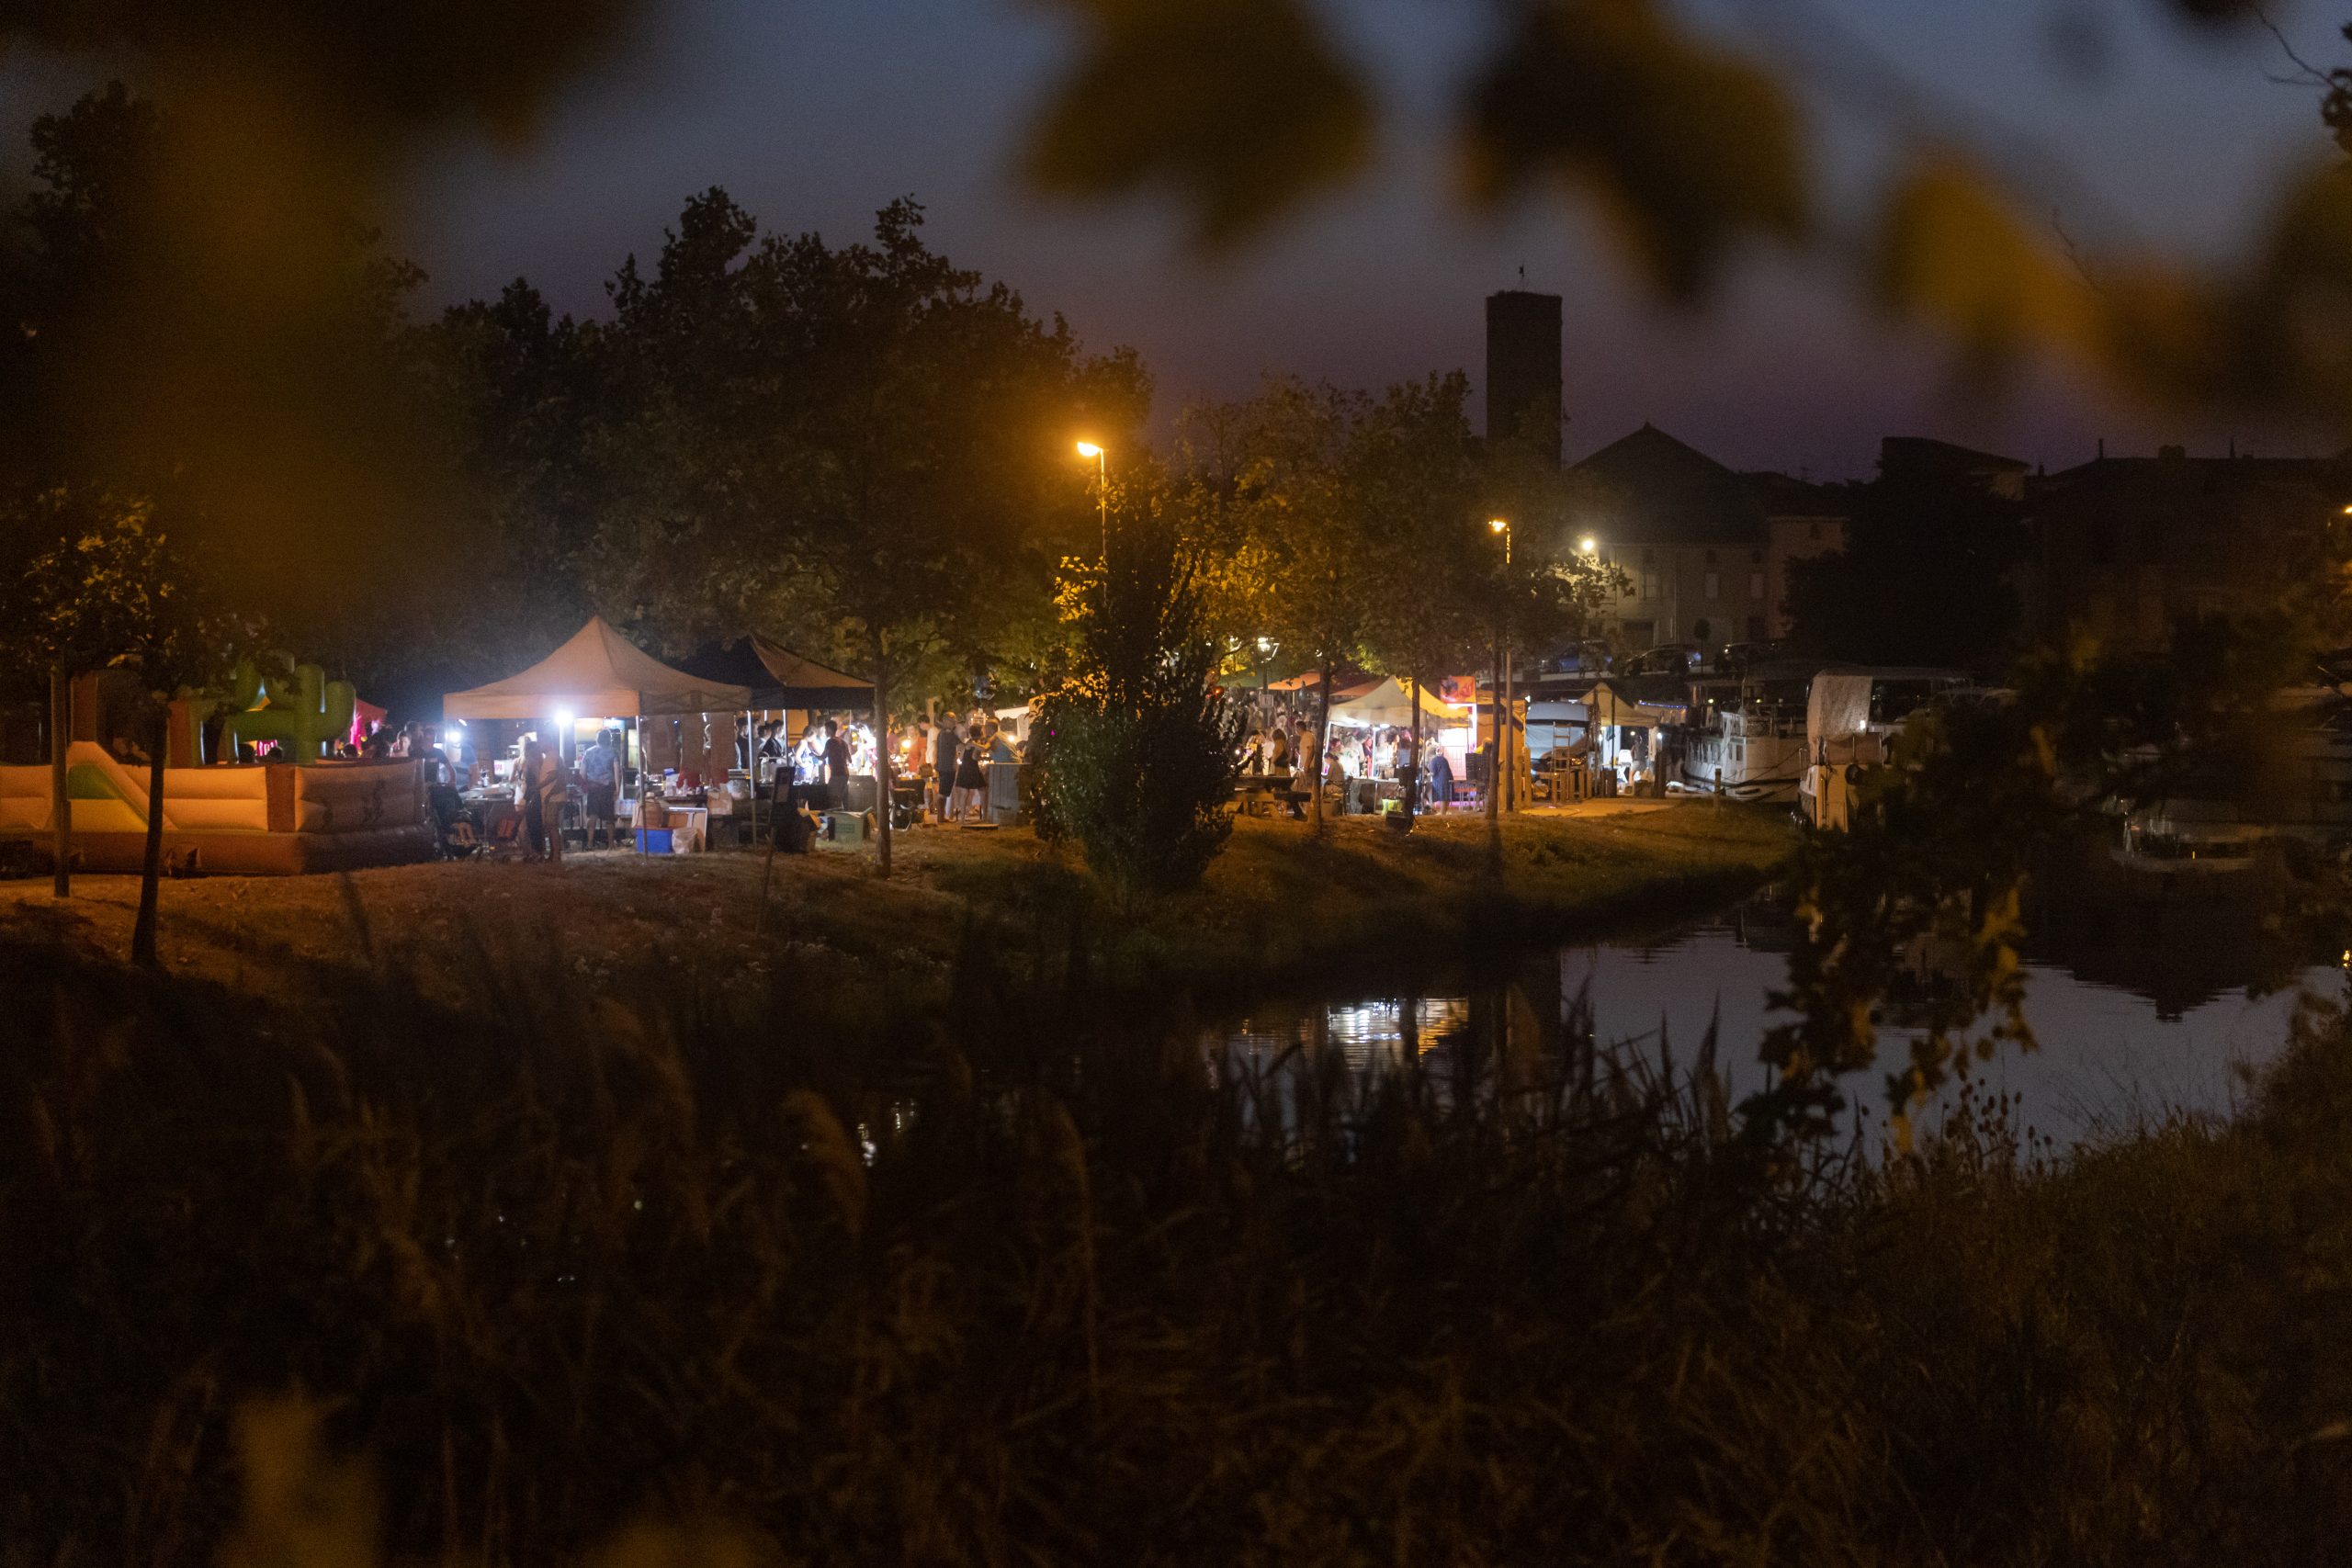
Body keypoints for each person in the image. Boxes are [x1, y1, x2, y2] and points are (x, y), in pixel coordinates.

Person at [577, 727, 622, 849]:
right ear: (609, 739)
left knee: (592, 815)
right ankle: (611, 844)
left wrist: (584, 786)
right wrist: (618, 789)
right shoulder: (613, 752)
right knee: (609, 817)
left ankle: (590, 843)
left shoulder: (588, 752)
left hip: (593, 788)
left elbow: (582, 773)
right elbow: (617, 772)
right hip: (607, 788)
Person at [952, 722, 987, 822]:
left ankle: (962, 818)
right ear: (980, 732)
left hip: (964, 768)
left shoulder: (967, 742)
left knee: (964, 793)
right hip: (973, 768)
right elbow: (976, 756)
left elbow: (962, 756)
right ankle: (985, 816)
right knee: (983, 791)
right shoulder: (975, 743)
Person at [932, 710, 960, 823]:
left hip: (943, 766)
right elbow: (960, 745)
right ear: (945, 721)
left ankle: (941, 817)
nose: (954, 722)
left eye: (954, 720)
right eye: (951, 720)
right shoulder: (948, 734)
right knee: (943, 792)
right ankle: (940, 818)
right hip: (947, 767)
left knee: (944, 791)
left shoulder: (942, 733)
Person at [820, 718, 852, 810]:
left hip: (837, 774)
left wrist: (813, 754)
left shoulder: (830, 742)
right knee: (841, 798)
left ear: (829, 730)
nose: (825, 732)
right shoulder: (843, 742)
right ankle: (844, 817)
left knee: (833, 798)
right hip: (845, 774)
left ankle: (836, 819)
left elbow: (822, 757)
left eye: (826, 730)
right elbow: (849, 760)